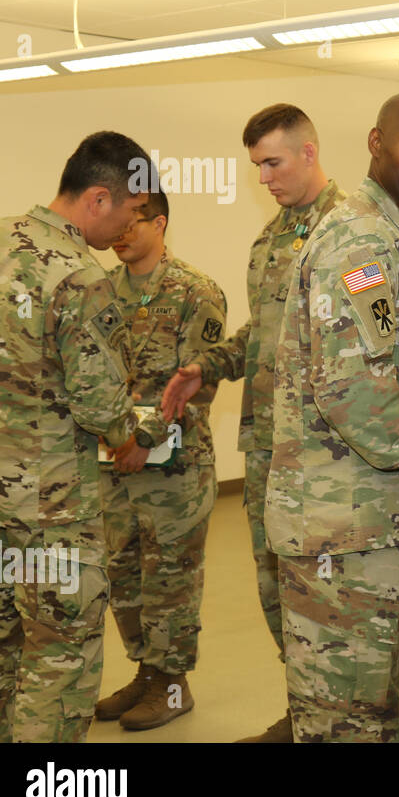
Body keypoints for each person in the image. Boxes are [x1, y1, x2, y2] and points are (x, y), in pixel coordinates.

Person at [265, 90, 399, 742]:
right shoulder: (361, 239)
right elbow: (354, 392)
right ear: (375, 143)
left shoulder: (391, 234)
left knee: (369, 720)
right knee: (345, 726)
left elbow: (386, 373)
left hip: (365, 526)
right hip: (339, 533)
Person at [162, 104, 346, 742]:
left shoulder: (351, 234)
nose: (264, 177)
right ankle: (303, 712)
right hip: (268, 450)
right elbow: (262, 337)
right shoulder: (271, 239)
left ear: (309, 152)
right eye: (256, 166)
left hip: (327, 460)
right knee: (277, 595)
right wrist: (206, 365)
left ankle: (334, 719)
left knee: (329, 604)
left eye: (273, 162)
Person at [0, 131, 162, 742]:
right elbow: (101, 405)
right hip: (51, 509)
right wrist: (145, 428)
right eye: (131, 213)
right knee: (61, 659)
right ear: (100, 198)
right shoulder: (81, 276)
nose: (128, 231)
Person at [93, 191, 228, 730]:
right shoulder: (100, 292)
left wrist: (143, 440)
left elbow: (203, 380)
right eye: (116, 224)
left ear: (160, 223)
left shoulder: (196, 292)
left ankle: (173, 686)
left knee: (169, 580)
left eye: (134, 223)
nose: (122, 233)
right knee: (122, 575)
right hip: (113, 463)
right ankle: (146, 674)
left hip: (175, 468)